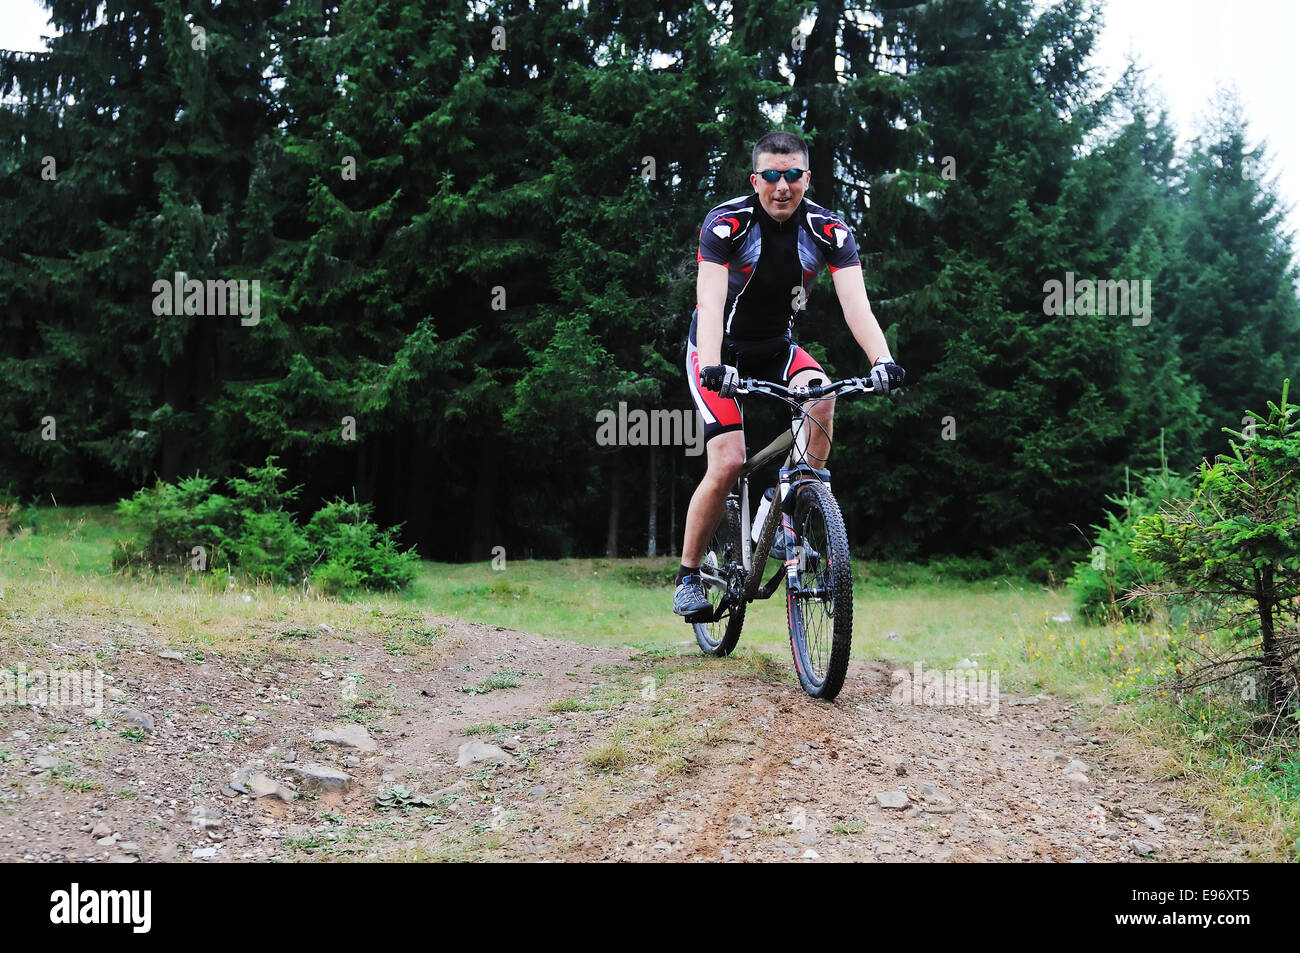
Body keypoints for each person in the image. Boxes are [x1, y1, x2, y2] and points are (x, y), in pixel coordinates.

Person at [673, 130, 904, 619]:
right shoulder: (726, 224)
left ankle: (787, 511)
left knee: (822, 397)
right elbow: (710, 302)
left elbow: (857, 308)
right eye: (772, 176)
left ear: (807, 178)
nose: (783, 186)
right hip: (716, 350)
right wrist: (714, 365)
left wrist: (882, 360)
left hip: (777, 349)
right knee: (729, 462)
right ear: (755, 179)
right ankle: (689, 574)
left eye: (793, 175)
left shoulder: (830, 231)